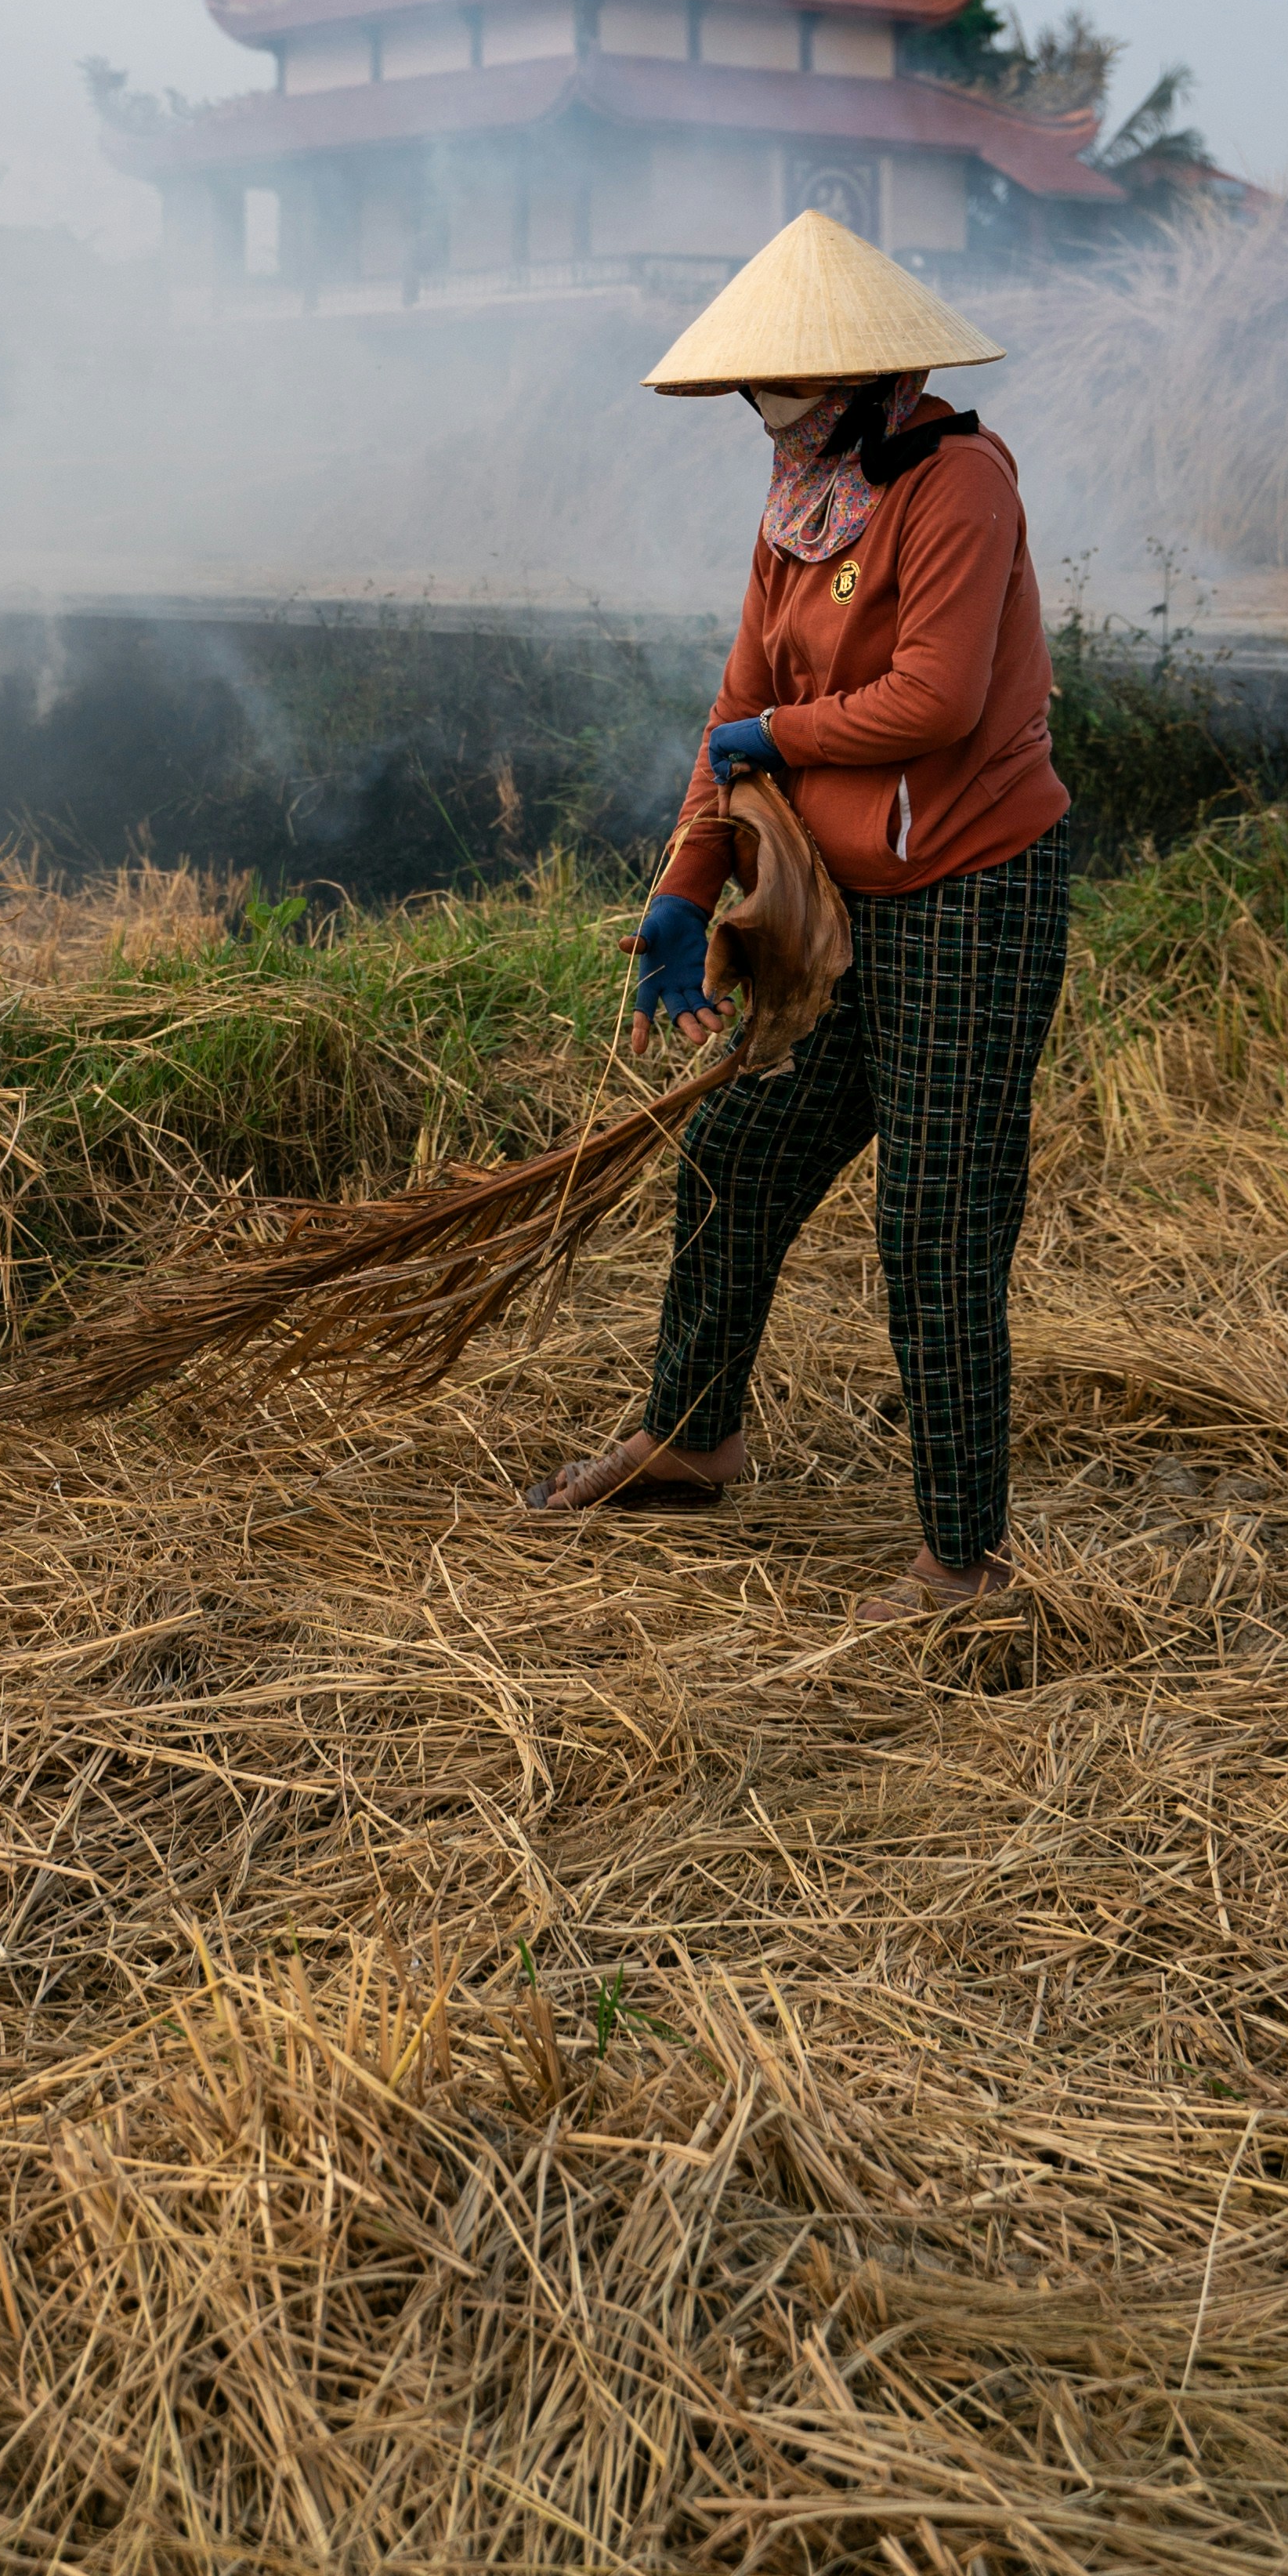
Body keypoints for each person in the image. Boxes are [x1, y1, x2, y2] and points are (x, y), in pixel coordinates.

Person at [537, 210, 1070, 1623]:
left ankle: (965, 1562)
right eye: (754, 392)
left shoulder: (954, 482)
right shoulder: (804, 501)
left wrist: (782, 735)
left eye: (782, 387)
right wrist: (682, 886)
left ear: (854, 377)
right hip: (851, 909)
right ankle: (697, 1433)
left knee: (938, 1224)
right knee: (737, 1152)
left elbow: (939, 701)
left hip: (973, 897)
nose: (761, 414)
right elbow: (734, 714)